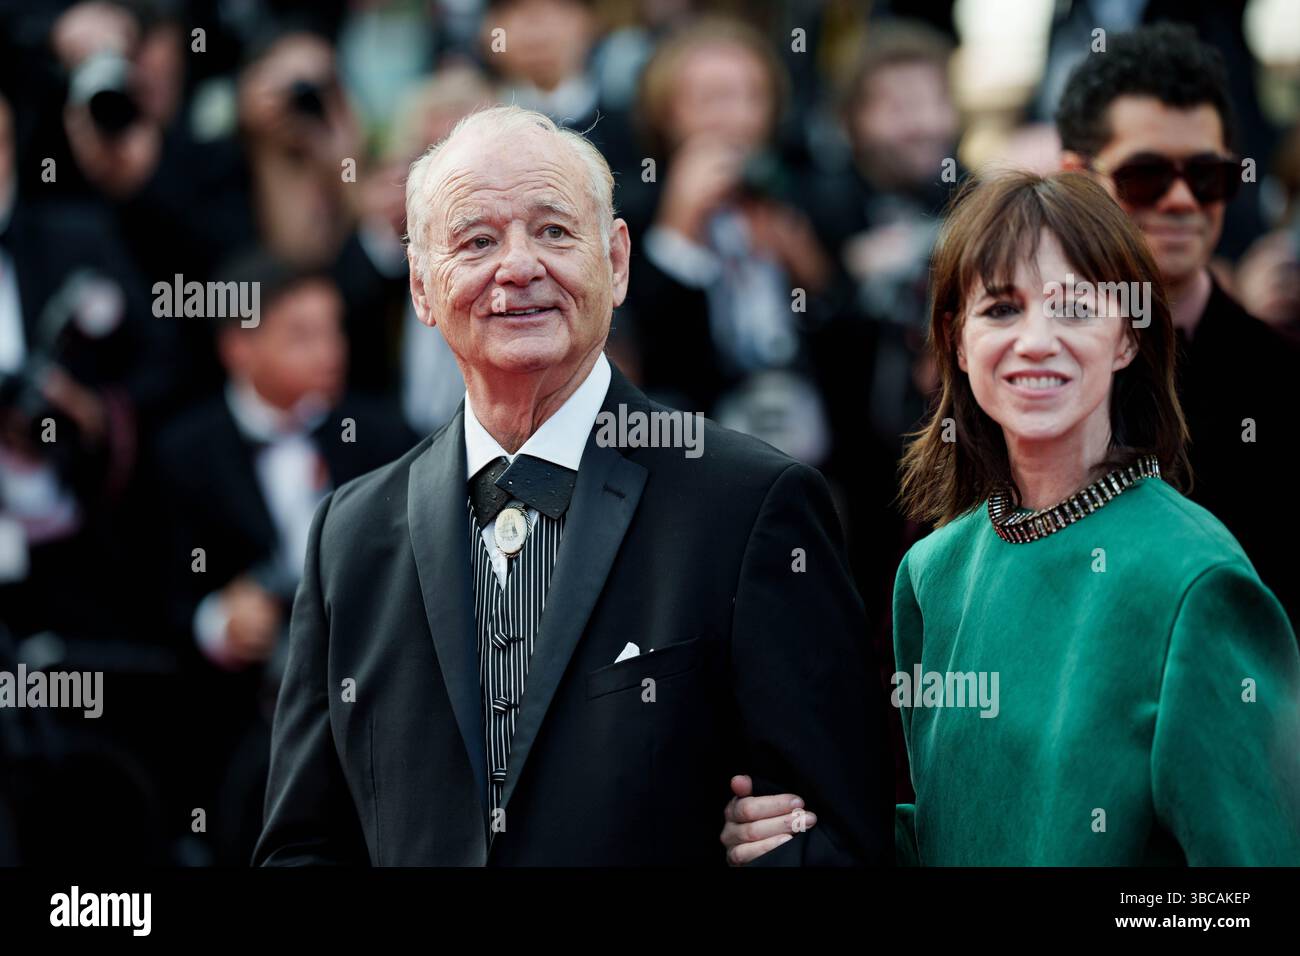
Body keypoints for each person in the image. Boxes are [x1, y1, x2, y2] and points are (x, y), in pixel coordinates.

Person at [253, 105, 892, 866]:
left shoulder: (752, 505)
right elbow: (302, 848)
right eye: (478, 240)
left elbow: (838, 838)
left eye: (554, 231)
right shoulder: (349, 536)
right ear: (422, 287)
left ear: (615, 262)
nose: (519, 266)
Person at [721, 171, 1300, 865]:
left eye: (1074, 308)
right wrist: (797, 842)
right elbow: (936, 838)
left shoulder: (1195, 580)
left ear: (1127, 339)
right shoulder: (931, 572)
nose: (1035, 341)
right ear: (956, 343)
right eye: (1000, 308)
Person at [151, 255, 415, 864]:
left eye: (334, 329)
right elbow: (157, 597)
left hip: (374, 715)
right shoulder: (183, 452)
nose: (330, 350)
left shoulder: (384, 435)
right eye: (302, 334)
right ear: (239, 348)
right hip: (241, 728)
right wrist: (217, 620)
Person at [1056, 22, 1300, 628]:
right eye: (1146, 176)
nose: (1182, 201)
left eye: (1207, 175)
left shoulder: (1286, 382)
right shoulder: (1020, 370)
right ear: (1075, 180)